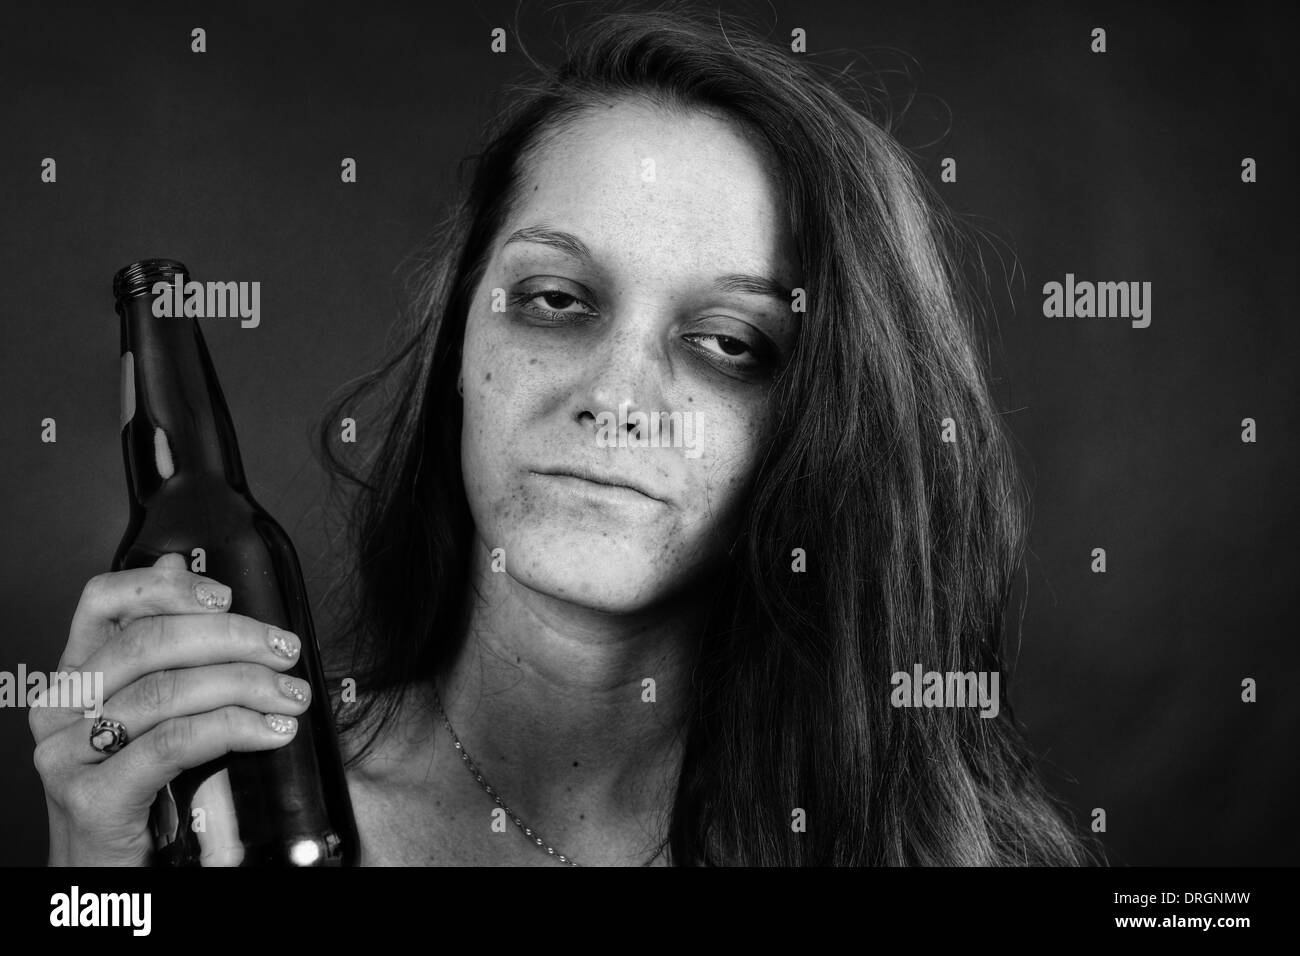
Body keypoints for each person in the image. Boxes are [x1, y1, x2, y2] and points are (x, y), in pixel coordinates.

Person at [31, 7, 1094, 866]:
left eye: (727, 342)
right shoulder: (236, 824)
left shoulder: (937, 848)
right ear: (458, 341)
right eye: (553, 299)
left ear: (821, 422)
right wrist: (89, 884)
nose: (616, 394)